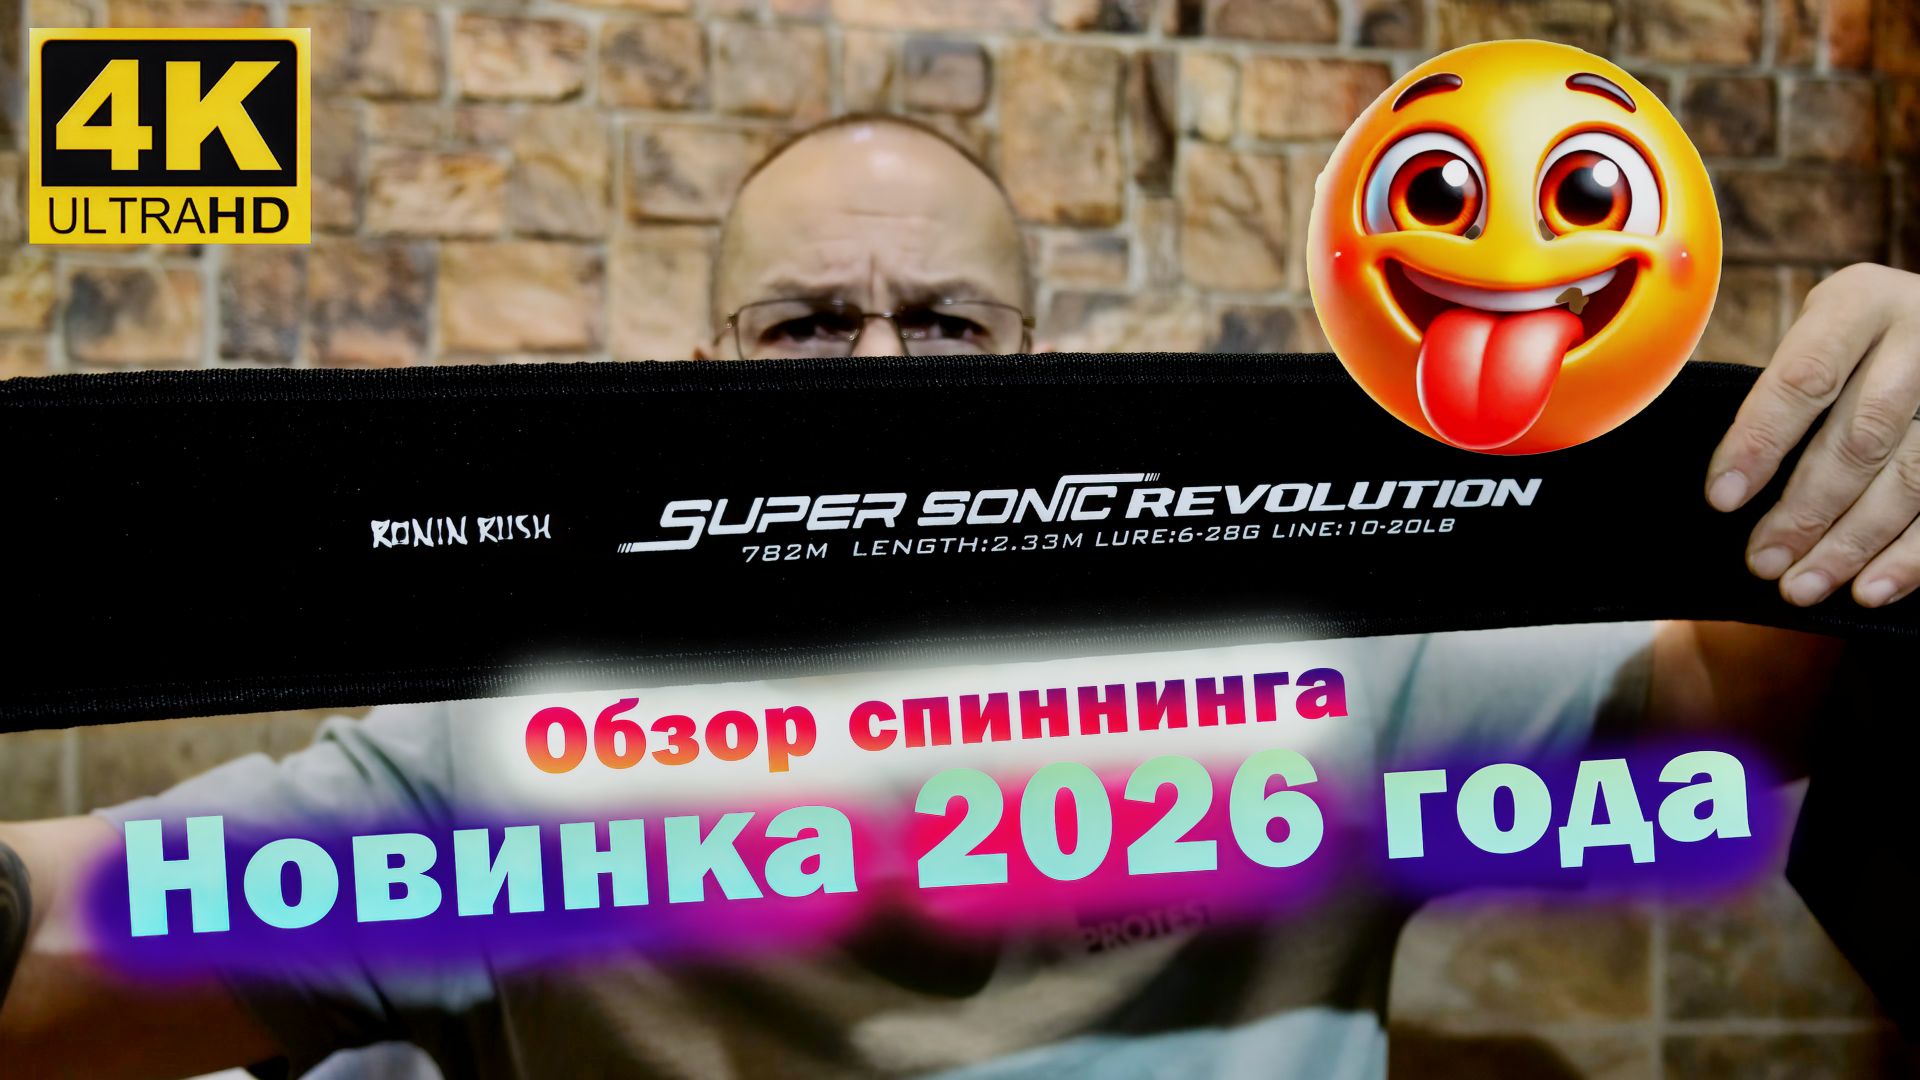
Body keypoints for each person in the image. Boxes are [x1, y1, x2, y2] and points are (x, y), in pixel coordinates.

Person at [0, 114, 1913, 1079]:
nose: (879, 373)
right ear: (701, 378)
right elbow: (63, 947)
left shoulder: (1308, 685)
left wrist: (1880, 451)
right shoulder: (500, 770)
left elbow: (1745, 701)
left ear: (1036, 372)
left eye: (945, 329)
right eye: (804, 329)